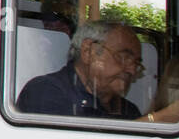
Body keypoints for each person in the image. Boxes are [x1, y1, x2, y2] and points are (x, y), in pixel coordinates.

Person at [16, 20, 147, 120]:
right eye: (124, 57)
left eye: (136, 63)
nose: (132, 70)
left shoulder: (129, 110)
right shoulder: (45, 91)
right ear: (88, 51)